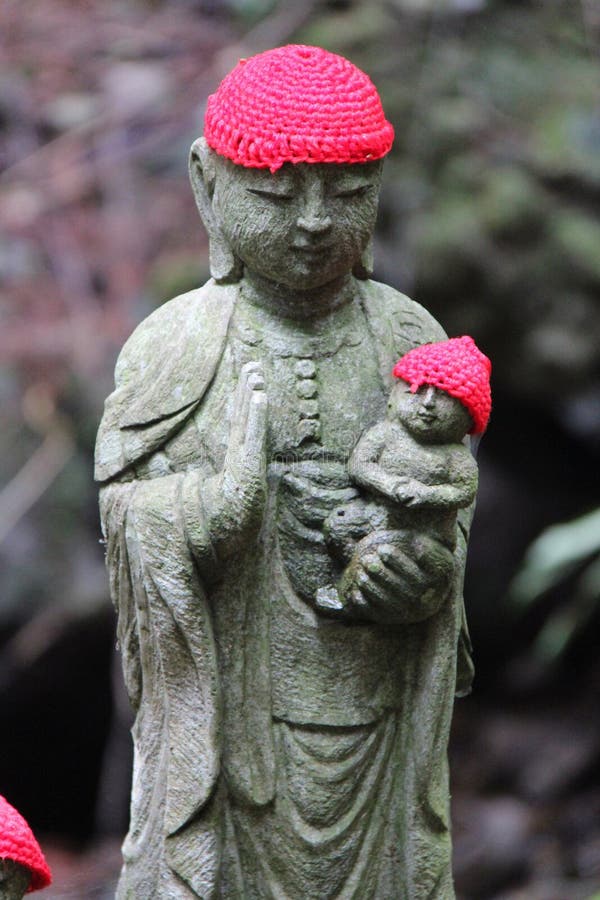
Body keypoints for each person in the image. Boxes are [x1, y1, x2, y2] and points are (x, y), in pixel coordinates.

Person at [96, 45, 478, 899]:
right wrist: (218, 506)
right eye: (274, 193)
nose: (313, 222)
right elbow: (127, 511)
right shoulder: (176, 345)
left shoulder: (410, 342)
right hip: (229, 718)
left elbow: (450, 508)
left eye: (348, 194)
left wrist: (419, 576)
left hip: (374, 713)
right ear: (207, 184)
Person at [317, 336, 491, 620]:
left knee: (425, 563)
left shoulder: (456, 457)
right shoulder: (386, 434)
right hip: (374, 517)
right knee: (339, 526)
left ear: (468, 417)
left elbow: (463, 492)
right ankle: (360, 571)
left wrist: (426, 494)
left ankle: (366, 586)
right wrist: (388, 484)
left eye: (445, 396)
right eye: (417, 389)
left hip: (425, 534)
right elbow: (360, 465)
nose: (428, 404)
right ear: (395, 393)